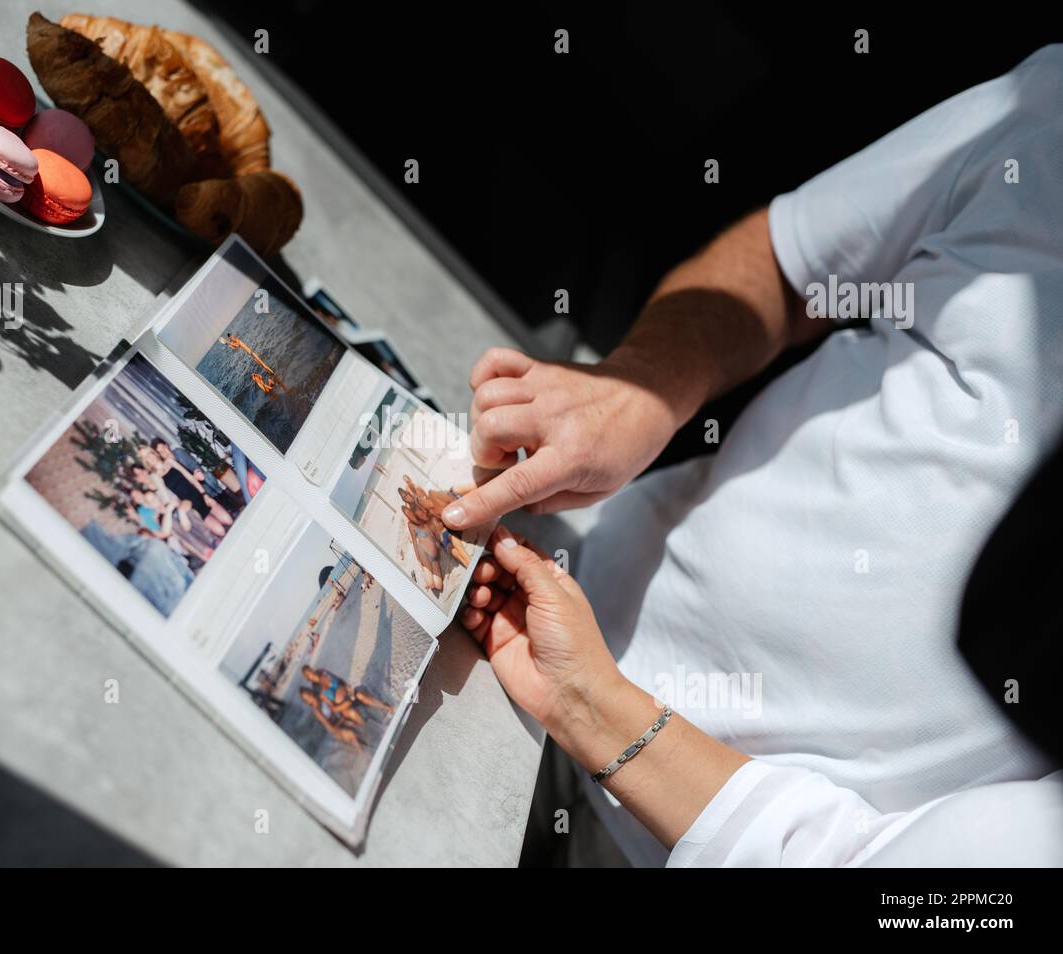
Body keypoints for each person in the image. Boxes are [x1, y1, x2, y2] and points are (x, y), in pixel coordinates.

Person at [450, 46, 1063, 865]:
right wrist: (642, 385)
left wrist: (597, 710)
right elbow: (788, 260)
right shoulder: (1049, 103)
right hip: (542, 608)